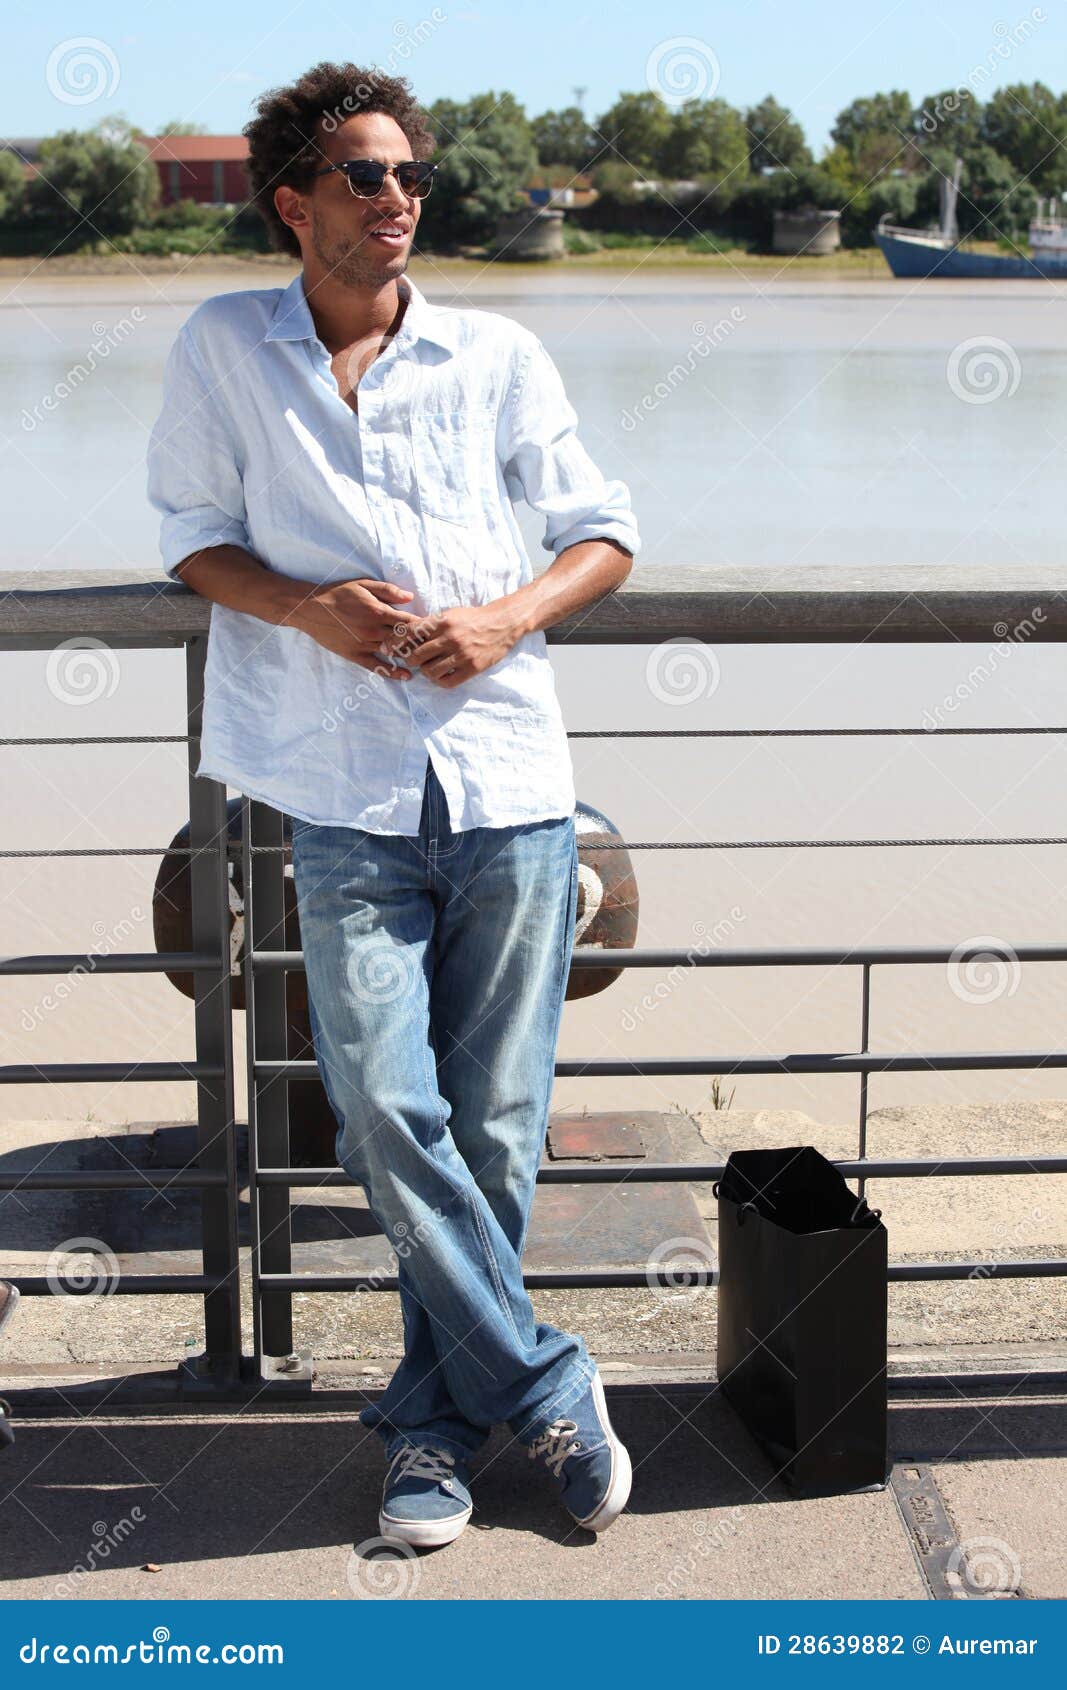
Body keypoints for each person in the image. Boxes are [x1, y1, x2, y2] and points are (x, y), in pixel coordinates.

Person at [146, 61, 640, 1550]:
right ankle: (551, 1376)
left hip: (509, 781)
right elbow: (189, 541)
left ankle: (429, 1434)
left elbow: (605, 533)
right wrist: (308, 609)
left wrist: (501, 621)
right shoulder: (224, 348)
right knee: (379, 1109)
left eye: (411, 174)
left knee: (494, 1129)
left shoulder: (496, 355)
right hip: (340, 789)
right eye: (367, 176)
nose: (400, 196)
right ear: (294, 202)